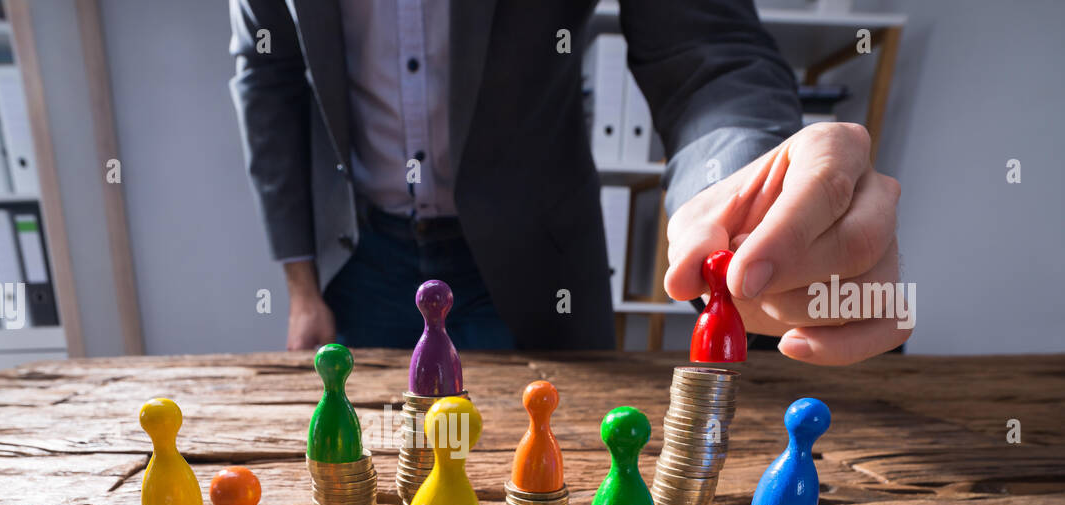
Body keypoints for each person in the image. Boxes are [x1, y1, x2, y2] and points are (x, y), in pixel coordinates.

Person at [229, 0, 907, 365]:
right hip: (359, 265)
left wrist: (746, 196)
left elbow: (706, 51)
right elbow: (267, 77)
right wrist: (300, 285)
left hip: (534, 266)